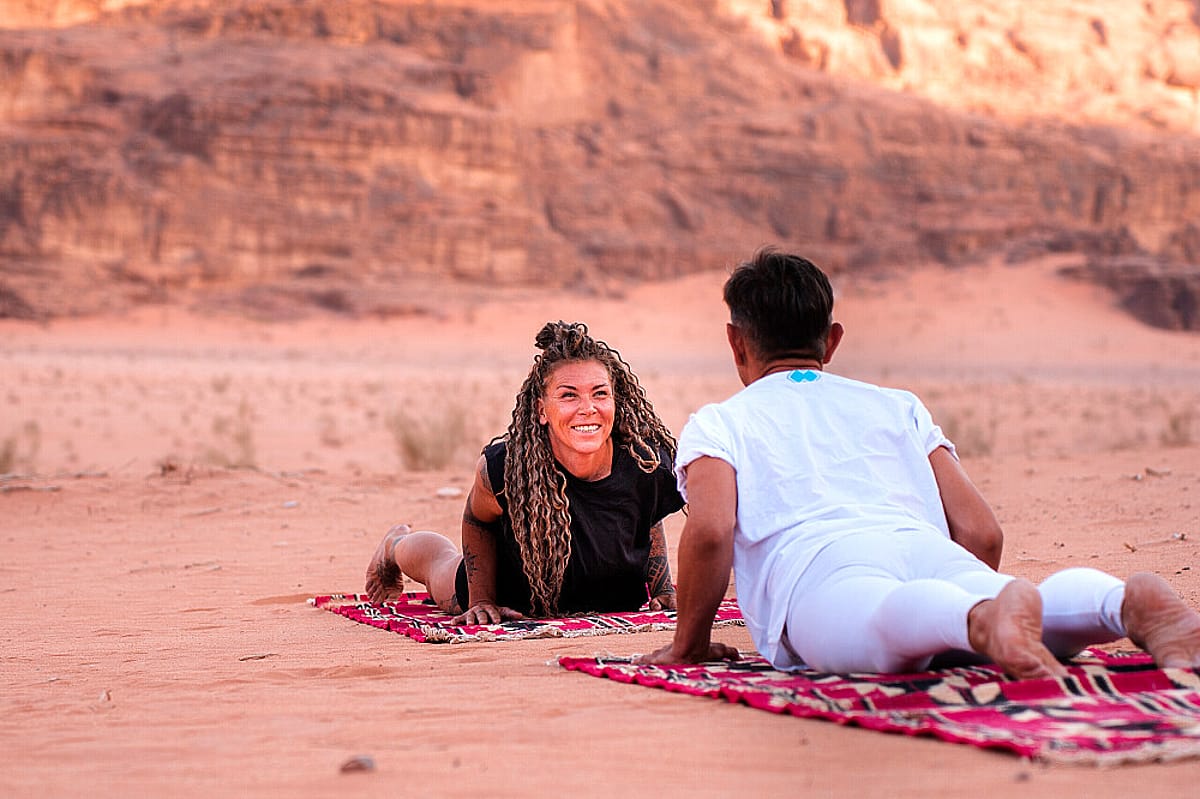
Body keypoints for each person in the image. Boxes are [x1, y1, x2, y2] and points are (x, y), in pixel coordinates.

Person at [642, 248, 1200, 678]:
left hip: (818, 568)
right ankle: (1121, 603)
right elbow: (980, 531)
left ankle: (979, 620)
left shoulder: (720, 421)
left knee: (888, 624)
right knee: (1001, 605)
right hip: (926, 549)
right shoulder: (897, 405)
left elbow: (710, 532)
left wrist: (688, 645)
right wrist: (960, 580)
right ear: (831, 341)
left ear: (736, 343)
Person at [365, 320, 683, 623]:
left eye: (600, 393)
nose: (588, 408)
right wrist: (481, 599)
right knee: (441, 566)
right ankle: (395, 544)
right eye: (569, 395)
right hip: (513, 591)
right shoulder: (507, 467)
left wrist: (662, 589)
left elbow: (647, 511)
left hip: (611, 591)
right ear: (542, 410)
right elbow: (477, 519)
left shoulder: (646, 461)